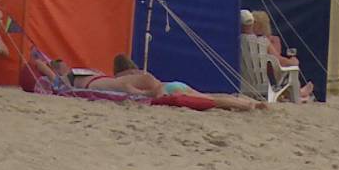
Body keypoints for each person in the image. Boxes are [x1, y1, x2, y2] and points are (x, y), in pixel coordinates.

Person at [112, 54, 265, 110]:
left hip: (168, 89)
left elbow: (146, 92)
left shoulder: (121, 79)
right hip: (173, 84)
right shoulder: (139, 73)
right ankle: (245, 101)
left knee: (212, 100)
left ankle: (245, 105)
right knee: (207, 97)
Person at [245, 10, 314, 100]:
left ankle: (295, 93)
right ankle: (298, 92)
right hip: (263, 82)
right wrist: (293, 61)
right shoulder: (263, 42)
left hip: (244, 81)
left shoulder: (240, 41)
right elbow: (278, 59)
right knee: (289, 67)